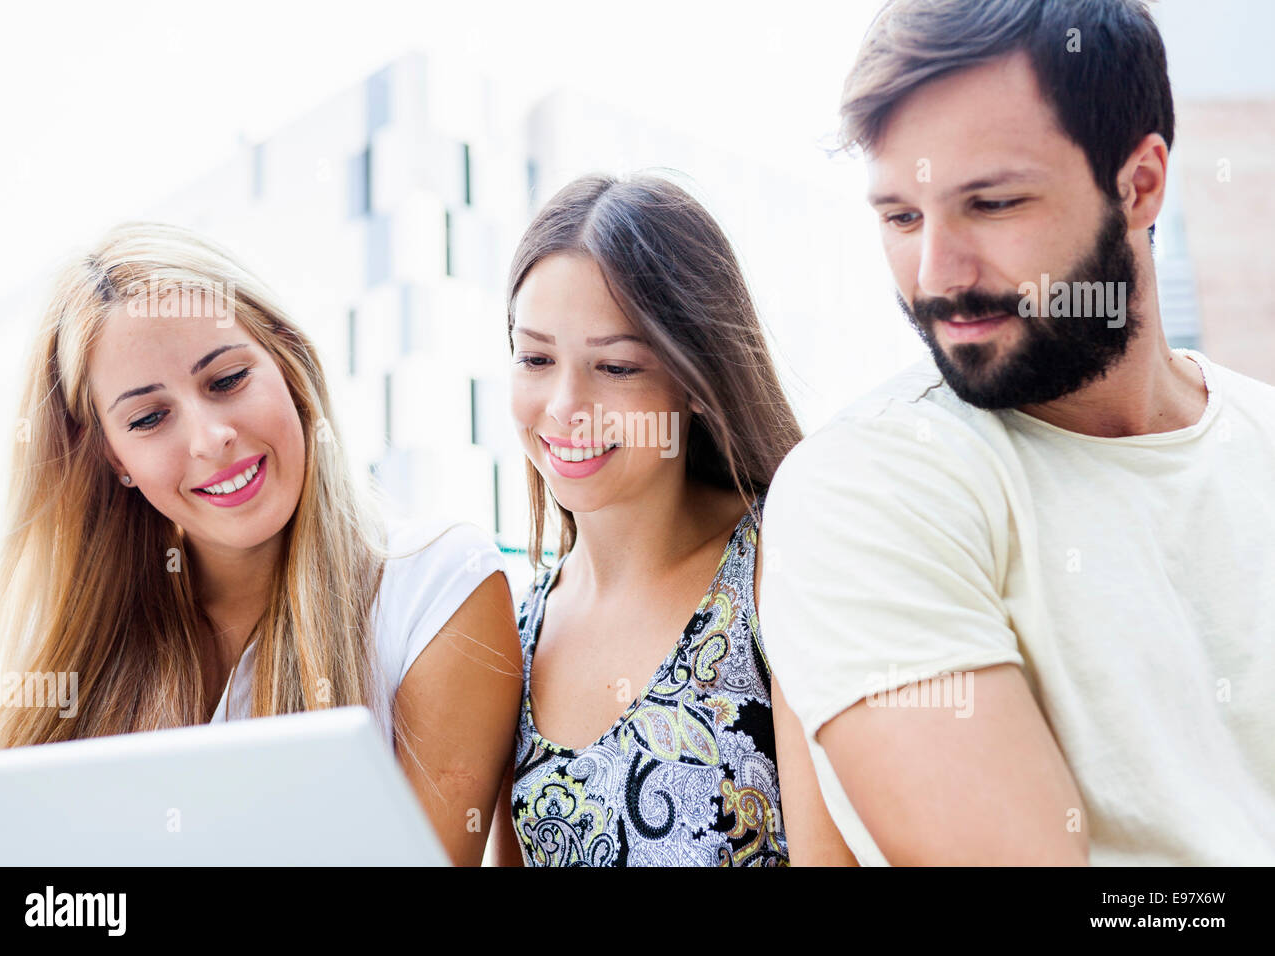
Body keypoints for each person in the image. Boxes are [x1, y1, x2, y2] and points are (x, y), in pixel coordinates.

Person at [760, 0, 1275, 866]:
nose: (937, 276)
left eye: (991, 203)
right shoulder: (868, 490)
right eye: (901, 217)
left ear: (1140, 184)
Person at [0, 222, 522, 866]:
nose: (210, 439)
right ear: (111, 457)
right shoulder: (76, 650)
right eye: (149, 418)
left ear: (286, 364)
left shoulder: (437, 587)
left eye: (228, 379)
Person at [490, 173, 823, 866]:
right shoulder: (512, 633)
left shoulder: (781, 565)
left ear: (695, 379)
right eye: (536, 358)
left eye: (615, 367)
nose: (563, 406)